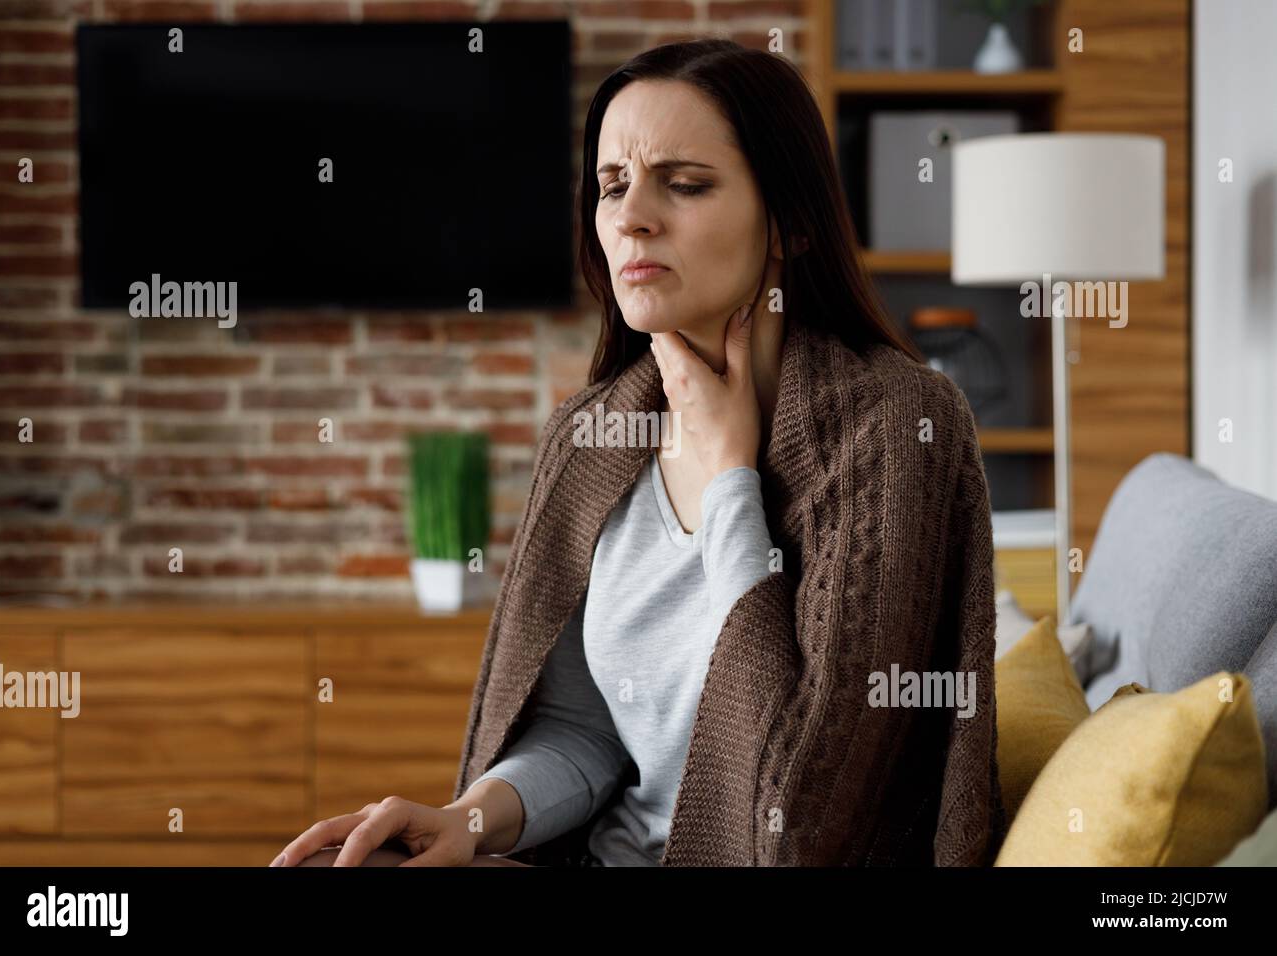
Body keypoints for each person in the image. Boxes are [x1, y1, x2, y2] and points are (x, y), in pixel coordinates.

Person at [273, 37, 1002, 869]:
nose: (631, 216)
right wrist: (467, 821)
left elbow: (799, 816)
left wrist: (732, 478)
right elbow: (587, 733)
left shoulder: (896, 424)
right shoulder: (593, 436)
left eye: (684, 185)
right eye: (612, 186)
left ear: (791, 223)